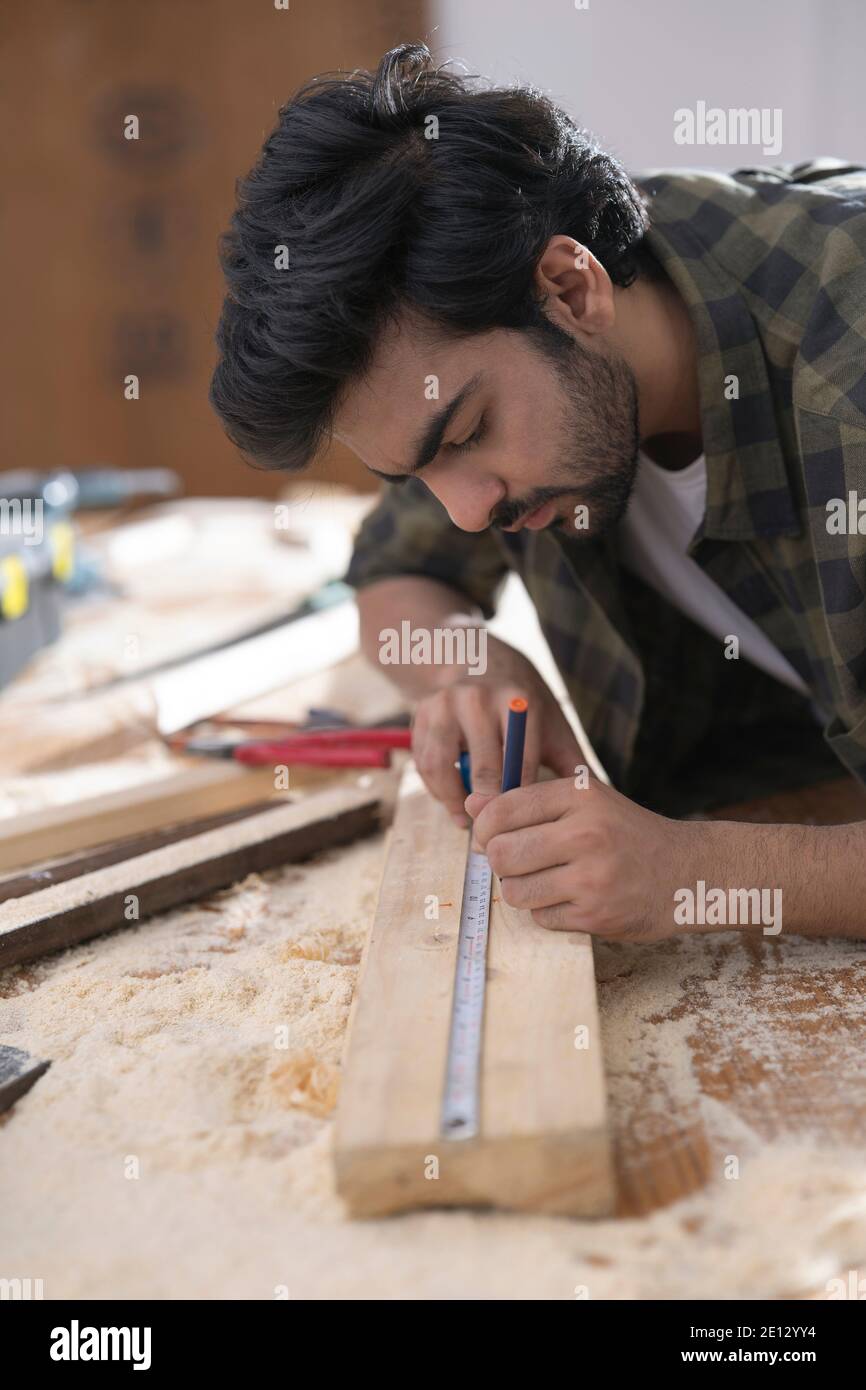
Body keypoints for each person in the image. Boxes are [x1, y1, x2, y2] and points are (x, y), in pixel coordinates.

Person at [210, 43, 866, 940]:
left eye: (467, 435)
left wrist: (691, 875)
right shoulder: (488, 327)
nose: (468, 510)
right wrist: (469, 665)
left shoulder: (849, 373)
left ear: (570, 288)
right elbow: (395, 575)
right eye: (414, 472)